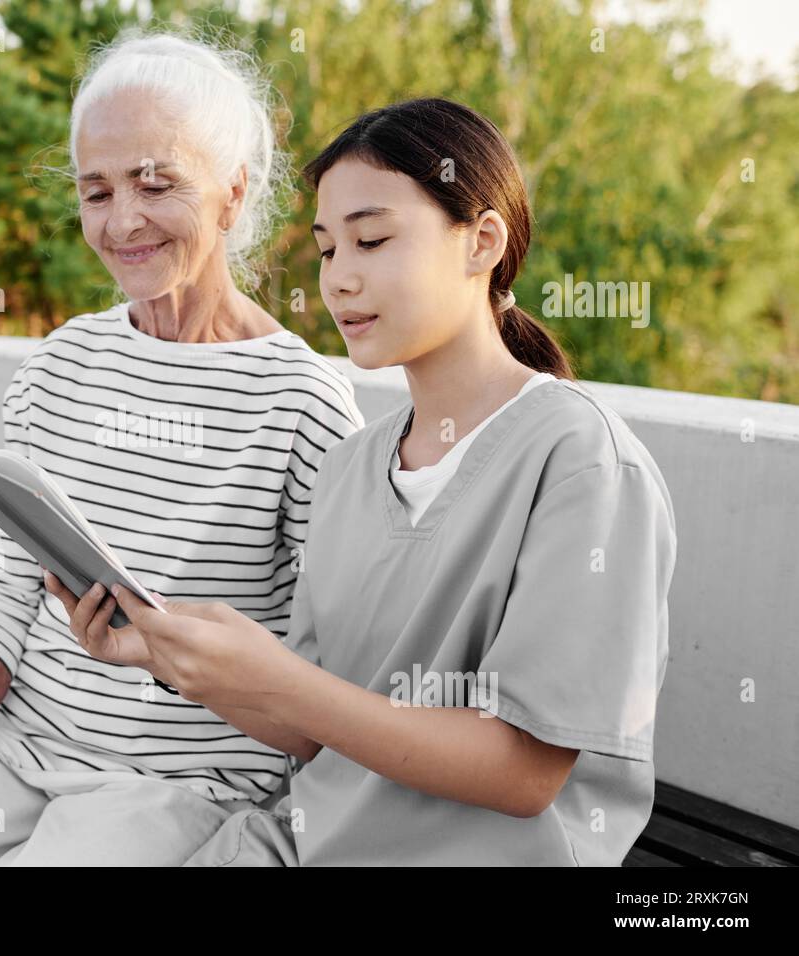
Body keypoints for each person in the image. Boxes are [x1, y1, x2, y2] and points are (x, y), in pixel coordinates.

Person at [50, 97, 677, 866]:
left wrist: (281, 679)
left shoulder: (581, 462)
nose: (339, 280)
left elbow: (525, 774)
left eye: (371, 240)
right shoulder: (351, 464)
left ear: (481, 242)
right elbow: (317, 735)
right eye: (326, 250)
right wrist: (171, 656)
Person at [0, 30, 364, 867]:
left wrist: (170, 651)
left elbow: (332, 674)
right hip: (14, 752)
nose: (123, 221)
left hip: (174, 785)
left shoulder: (302, 402)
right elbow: (3, 589)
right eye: (97, 192)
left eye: (157, 184)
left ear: (233, 195)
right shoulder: (59, 364)